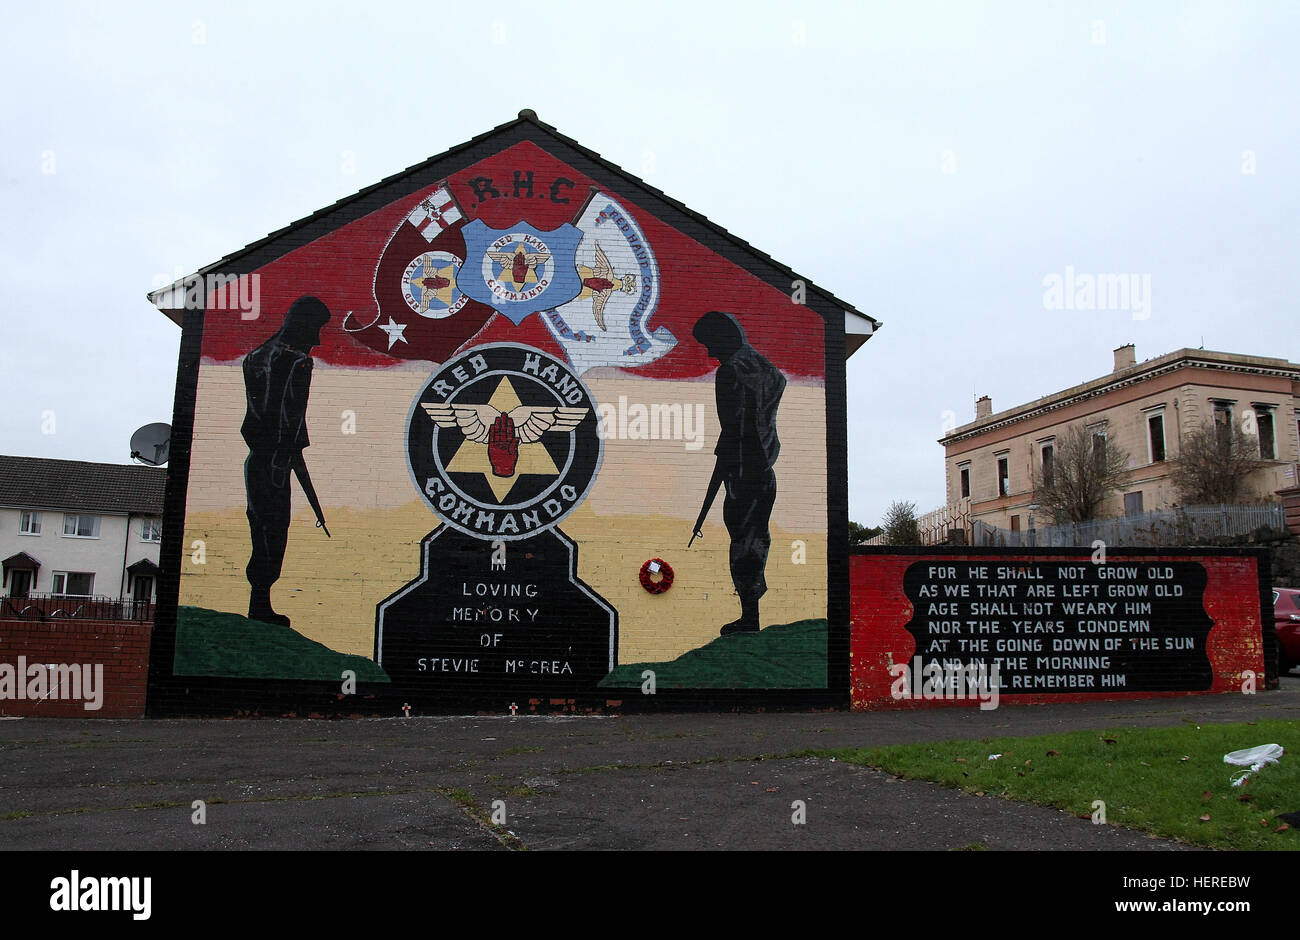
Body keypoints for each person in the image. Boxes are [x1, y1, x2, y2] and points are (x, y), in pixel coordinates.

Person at [691, 311, 786, 635]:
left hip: (743, 472)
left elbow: (734, 430)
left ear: (723, 338)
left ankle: (750, 617)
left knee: (743, 545)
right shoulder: (766, 370)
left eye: (710, 344)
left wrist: (727, 471)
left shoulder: (730, 373)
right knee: (756, 540)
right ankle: (752, 613)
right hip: (764, 471)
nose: (709, 353)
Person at [240, 295, 331, 627]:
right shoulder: (298, 363)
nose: (319, 339)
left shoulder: (254, 358)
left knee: (259, 530)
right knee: (275, 534)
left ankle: (258, 604)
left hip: (257, 461)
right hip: (277, 464)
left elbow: (260, 420)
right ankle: (260, 607)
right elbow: (288, 424)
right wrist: (287, 461)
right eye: (317, 329)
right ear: (304, 324)